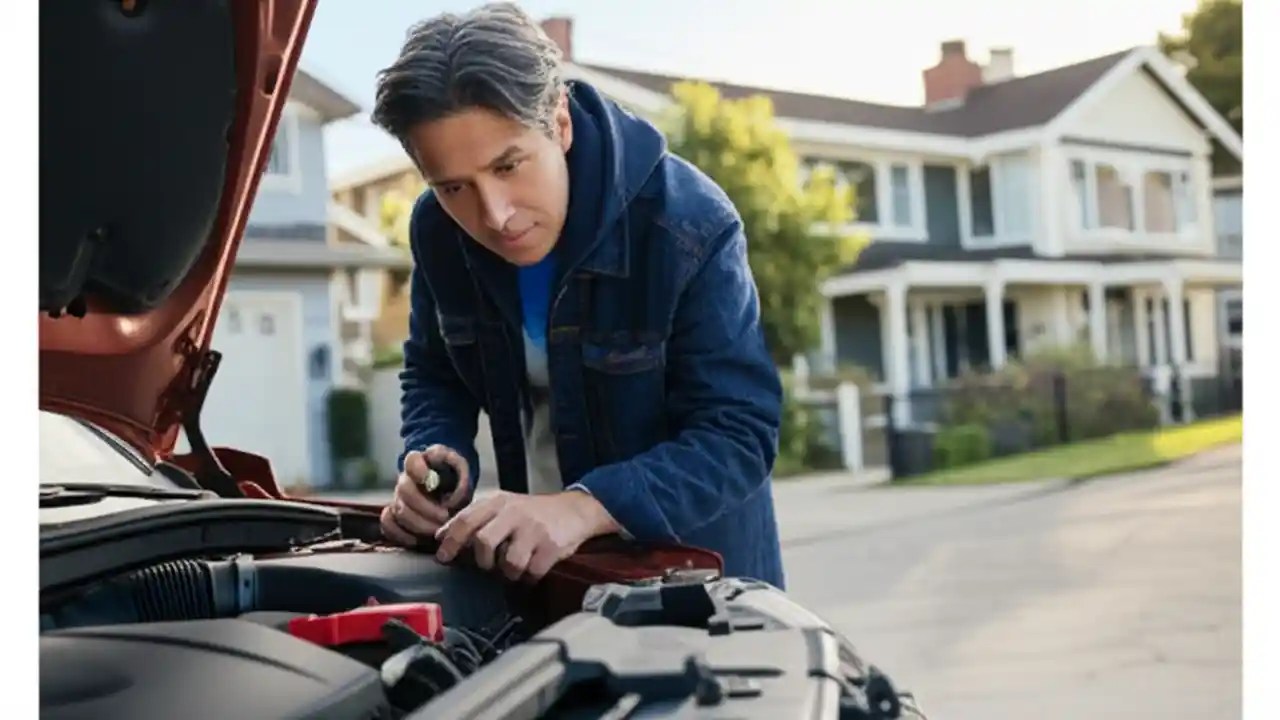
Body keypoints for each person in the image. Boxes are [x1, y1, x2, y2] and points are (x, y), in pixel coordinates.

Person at [371, 2, 785, 589]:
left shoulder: (689, 225)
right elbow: (434, 373)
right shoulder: (437, 229)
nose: (494, 215)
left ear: (559, 123)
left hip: (698, 583)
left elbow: (737, 436)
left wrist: (582, 506)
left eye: (510, 166)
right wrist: (435, 459)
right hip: (541, 576)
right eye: (455, 186)